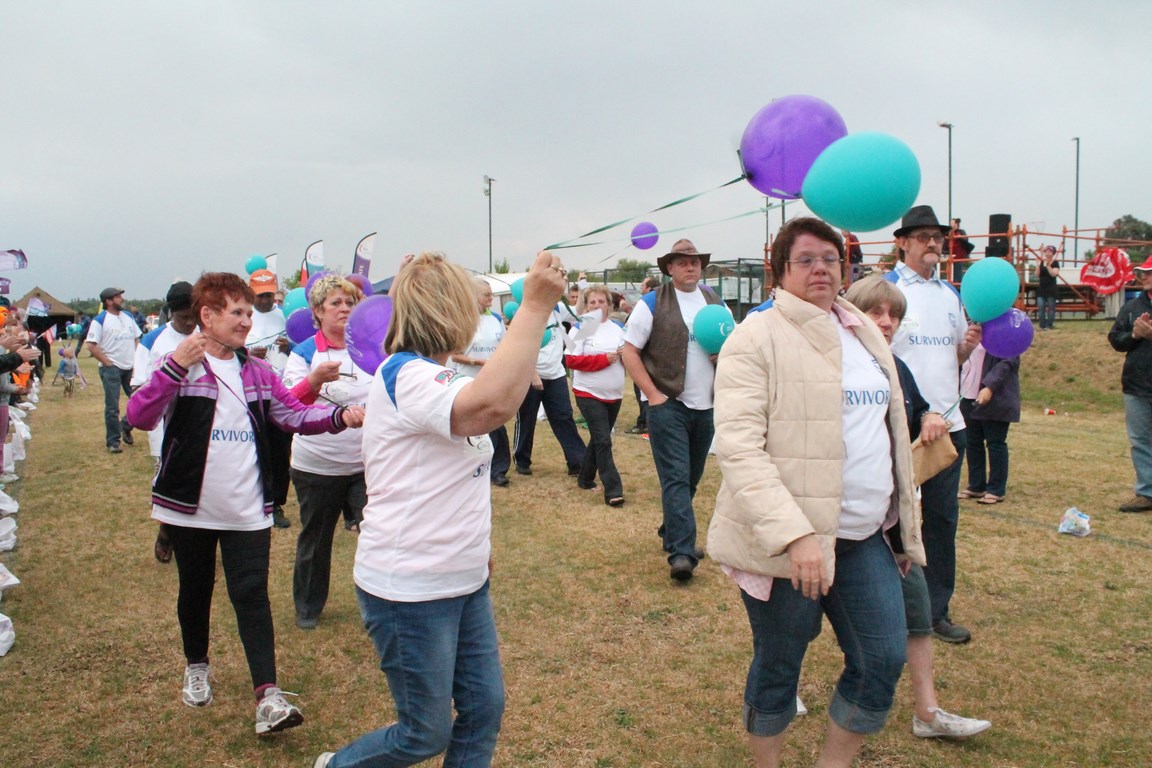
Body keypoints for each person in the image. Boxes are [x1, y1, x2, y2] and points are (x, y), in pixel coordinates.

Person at [313, 251, 565, 768]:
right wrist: (535, 305)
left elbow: (500, 403)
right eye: (469, 302)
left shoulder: (435, 375)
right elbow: (491, 408)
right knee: (424, 734)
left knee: (482, 710)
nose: (477, 311)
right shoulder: (405, 375)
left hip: (462, 577)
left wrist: (478, 550)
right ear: (447, 313)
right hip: (409, 588)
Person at [708, 218, 925, 768]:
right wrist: (795, 535)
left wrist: (901, 520)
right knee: (781, 661)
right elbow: (738, 450)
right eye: (805, 259)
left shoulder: (861, 329)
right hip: (791, 547)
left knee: (882, 658)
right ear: (779, 271)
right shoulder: (754, 337)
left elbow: (889, 430)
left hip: (861, 536)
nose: (821, 268)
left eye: (831, 258)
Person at [125, 272, 364, 736]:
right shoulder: (181, 364)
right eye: (236, 312)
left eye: (249, 313)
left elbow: (291, 415)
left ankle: (268, 697)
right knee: (195, 589)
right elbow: (139, 416)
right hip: (187, 506)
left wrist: (337, 416)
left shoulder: (256, 372)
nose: (246, 322)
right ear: (208, 315)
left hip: (247, 507)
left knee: (251, 594)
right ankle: (197, 666)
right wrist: (174, 367)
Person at [845, 276, 993, 739]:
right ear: (852, 313)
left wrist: (930, 418)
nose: (886, 323)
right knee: (801, 616)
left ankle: (927, 712)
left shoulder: (897, 368)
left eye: (894, 315)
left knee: (916, 605)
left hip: (891, 521)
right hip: (836, 517)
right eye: (876, 313)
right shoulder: (830, 365)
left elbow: (922, 409)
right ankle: (785, 687)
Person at [885, 205, 982, 644]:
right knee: (886, 517)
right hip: (897, 423)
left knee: (941, 520)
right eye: (922, 236)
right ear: (902, 242)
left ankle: (936, 609)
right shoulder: (885, 290)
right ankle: (885, 601)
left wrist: (965, 347)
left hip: (948, 422)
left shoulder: (950, 294)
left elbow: (955, 360)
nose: (932, 243)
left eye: (937, 237)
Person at [622, 239, 723, 581]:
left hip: (706, 405)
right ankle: (682, 552)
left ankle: (671, 529)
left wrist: (721, 355)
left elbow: (729, 341)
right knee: (677, 477)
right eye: (681, 262)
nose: (690, 267)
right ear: (669, 268)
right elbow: (629, 351)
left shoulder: (714, 300)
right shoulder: (653, 302)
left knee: (691, 477)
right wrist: (652, 394)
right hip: (669, 404)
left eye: (694, 261)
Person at [281, 274, 372, 629]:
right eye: (336, 303)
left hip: (367, 463)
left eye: (349, 302)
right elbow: (288, 407)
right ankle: (308, 607)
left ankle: (376, 607)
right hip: (317, 465)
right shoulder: (305, 354)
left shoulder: (369, 346)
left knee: (377, 538)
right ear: (318, 311)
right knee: (316, 540)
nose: (345, 309)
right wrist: (315, 380)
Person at [132, 281, 198, 564]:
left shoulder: (206, 335)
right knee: (168, 479)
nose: (190, 323)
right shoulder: (153, 340)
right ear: (171, 313)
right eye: (184, 318)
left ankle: (195, 534)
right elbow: (138, 387)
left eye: (194, 316)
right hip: (164, 426)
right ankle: (166, 530)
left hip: (200, 422)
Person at [512, 294, 586, 478]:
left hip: (556, 374)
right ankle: (522, 460)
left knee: (564, 416)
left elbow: (578, 311)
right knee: (526, 419)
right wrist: (532, 374)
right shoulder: (527, 313)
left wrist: (582, 288)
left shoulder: (558, 309)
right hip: (531, 375)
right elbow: (519, 348)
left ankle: (577, 461)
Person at [566, 284, 627, 506]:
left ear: (609, 305)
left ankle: (585, 477)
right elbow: (570, 360)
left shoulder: (618, 328)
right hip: (588, 393)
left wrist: (624, 355)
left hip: (614, 394)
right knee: (603, 439)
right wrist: (603, 359)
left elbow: (631, 355)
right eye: (592, 302)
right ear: (586, 305)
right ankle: (613, 490)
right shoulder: (581, 327)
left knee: (598, 438)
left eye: (601, 302)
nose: (597, 305)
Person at [451, 278, 512, 487]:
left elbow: (505, 346)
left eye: (491, 294)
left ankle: (499, 469)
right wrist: (477, 361)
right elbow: (454, 355)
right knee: (473, 426)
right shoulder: (461, 320)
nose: (491, 298)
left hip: (493, 381)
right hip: (468, 380)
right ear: (473, 295)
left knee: (496, 424)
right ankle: (469, 467)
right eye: (486, 294)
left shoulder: (495, 318)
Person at [246, 268, 294, 529]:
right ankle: (252, 499)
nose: (264, 300)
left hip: (280, 394)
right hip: (250, 393)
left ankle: (276, 504)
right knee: (250, 449)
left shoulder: (285, 316)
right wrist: (250, 354)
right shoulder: (245, 316)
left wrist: (292, 346)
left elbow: (304, 345)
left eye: (268, 295)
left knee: (279, 450)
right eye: (259, 296)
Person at [1108, 256, 1152, 513]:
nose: (1143, 276)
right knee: (1141, 441)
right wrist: (1134, 335)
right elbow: (1115, 339)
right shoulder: (1132, 307)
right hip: (1136, 385)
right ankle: (1146, 492)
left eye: (1148, 272)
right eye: (1142, 272)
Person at [958, 344, 1021, 505]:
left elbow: (1008, 361)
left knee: (995, 442)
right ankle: (976, 485)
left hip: (994, 397)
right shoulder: (969, 329)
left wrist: (989, 386)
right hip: (967, 395)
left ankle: (996, 489)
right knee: (972, 442)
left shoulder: (1002, 333)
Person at [86, 287, 142, 453]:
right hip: (112, 368)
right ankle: (113, 442)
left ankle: (125, 425)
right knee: (112, 407)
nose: (121, 299)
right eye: (117, 297)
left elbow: (137, 339)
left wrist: (137, 361)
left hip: (130, 367)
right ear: (108, 301)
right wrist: (107, 363)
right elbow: (91, 345)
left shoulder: (128, 317)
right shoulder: (100, 320)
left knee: (140, 401)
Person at [627, 275, 663, 435]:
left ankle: (645, 423)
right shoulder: (645, 306)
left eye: (642, 285)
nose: (641, 288)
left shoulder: (651, 303)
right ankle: (644, 422)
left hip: (648, 362)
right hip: (641, 360)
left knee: (645, 395)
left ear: (649, 289)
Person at [1036, 244, 1062, 330]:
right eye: (1046, 251)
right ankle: (1041, 325)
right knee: (1041, 307)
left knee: (1051, 308)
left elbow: (1054, 274)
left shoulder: (1055, 263)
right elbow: (1037, 275)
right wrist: (1038, 265)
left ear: (1053, 253)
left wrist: (1048, 266)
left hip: (1051, 289)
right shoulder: (1041, 262)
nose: (1047, 253)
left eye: (1050, 251)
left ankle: (1049, 325)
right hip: (1042, 288)